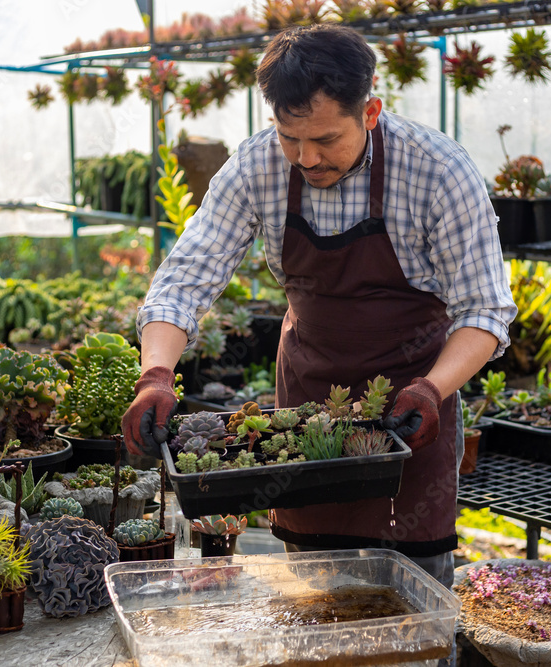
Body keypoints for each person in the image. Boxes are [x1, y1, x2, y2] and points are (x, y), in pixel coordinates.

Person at [122, 24, 516, 591]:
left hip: (412, 407)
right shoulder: (258, 166)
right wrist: (156, 374)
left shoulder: (437, 171)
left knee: (413, 588)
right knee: (314, 589)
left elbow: (484, 311)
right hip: (308, 405)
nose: (305, 158)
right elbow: (186, 279)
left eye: (326, 139)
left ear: (371, 111)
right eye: (289, 137)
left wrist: (432, 389)